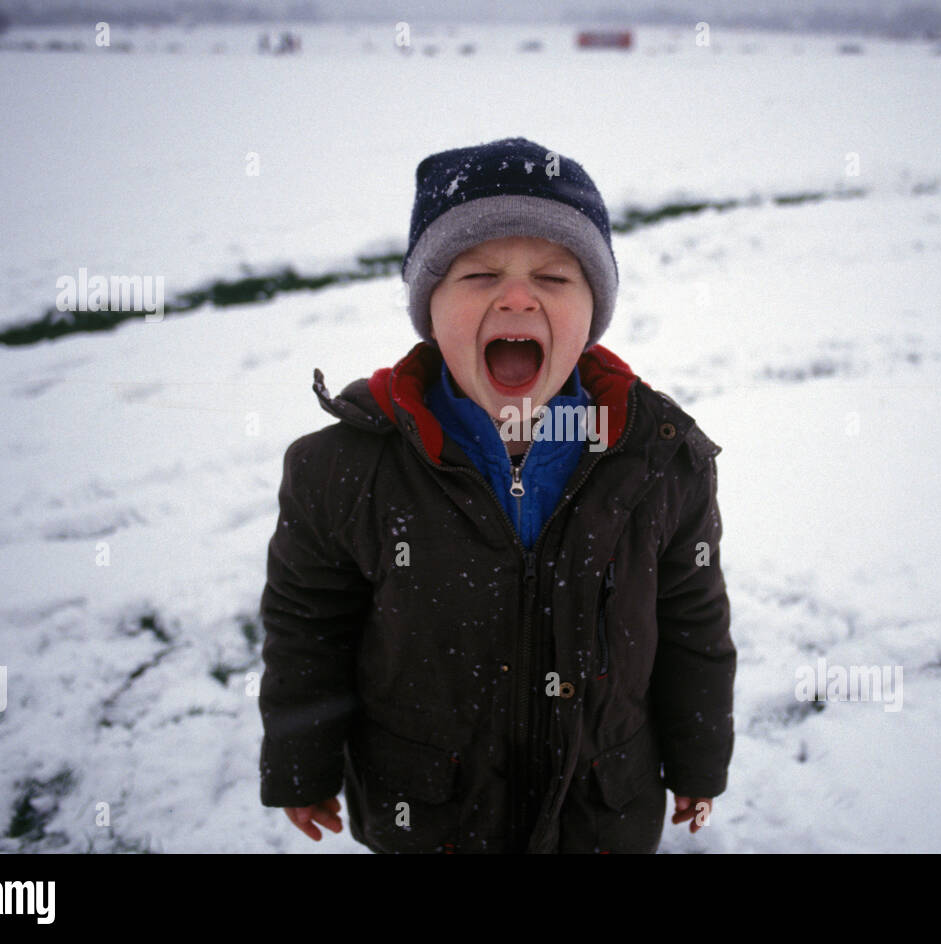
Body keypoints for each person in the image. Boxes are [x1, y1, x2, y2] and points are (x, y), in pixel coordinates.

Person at [258, 136, 735, 853]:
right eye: (479, 276)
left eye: (555, 277)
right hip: (431, 811)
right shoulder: (344, 469)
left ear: (592, 314)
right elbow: (308, 626)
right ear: (431, 309)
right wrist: (302, 759)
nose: (517, 296)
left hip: (600, 808)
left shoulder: (661, 458)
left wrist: (698, 757)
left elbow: (693, 622)